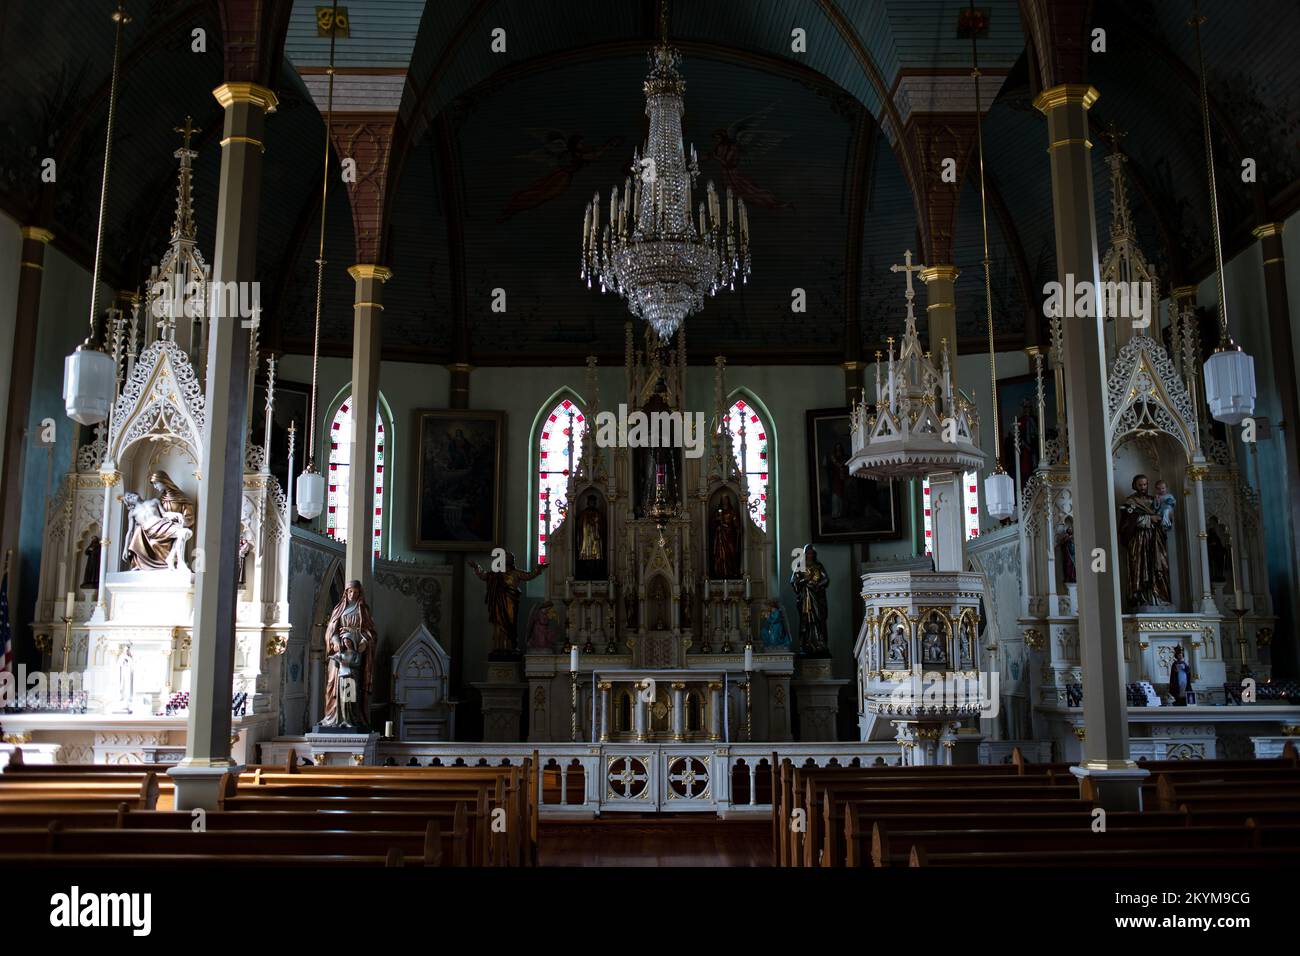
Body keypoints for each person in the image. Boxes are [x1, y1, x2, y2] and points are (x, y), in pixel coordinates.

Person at [319, 580, 378, 731]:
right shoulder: (339, 609)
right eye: (350, 591)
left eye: (356, 592)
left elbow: (371, 631)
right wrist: (336, 641)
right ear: (346, 592)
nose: (353, 594)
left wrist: (365, 640)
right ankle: (333, 717)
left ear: (360, 593)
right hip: (339, 654)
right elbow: (331, 630)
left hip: (355, 653)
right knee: (333, 685)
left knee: (352, 688)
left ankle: (351, 717)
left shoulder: (363, 610)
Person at [470, 552, 546, 658]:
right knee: (498, 625)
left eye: (511, 558)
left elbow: (528, 575)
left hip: (511, 604)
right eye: (507, 558)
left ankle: (509, 647)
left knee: (510, 626)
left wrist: (538, 569)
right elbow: (484, 575)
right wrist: (476, 567)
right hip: (498, 604)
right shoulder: (496, 574)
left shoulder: (516, 573)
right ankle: (498, 647)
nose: (509, 560)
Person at [1118, 474, 1171, 608]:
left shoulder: (1155, 500)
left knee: (1158, 565)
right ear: (1135, 485)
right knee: (1140, 567)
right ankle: (1140, 597)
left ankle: (1157, 595)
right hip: (1138, 540)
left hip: (1154, 538)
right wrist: (1149, 519)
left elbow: (1164, 515)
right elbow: (1126, 525)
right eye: (1140, 485)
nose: (1143, 487)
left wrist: (1166, 516)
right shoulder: (1130, 502)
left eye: (1145, 484)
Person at [121, 492, 193, 571]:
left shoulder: (154, 501)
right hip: (152, 530)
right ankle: (180, 563)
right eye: (128, 498)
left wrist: (177, 514)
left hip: (163, 524)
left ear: (137, 493)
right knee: (183, 533)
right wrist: (125, 549)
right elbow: (130, 532)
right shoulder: (132, 513)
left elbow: (164, 514)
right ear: (129, 504)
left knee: (186, 532)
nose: (131, 496)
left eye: (131, 494)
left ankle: (172, 558)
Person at [790, 544, 830, 656]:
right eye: (808, 553)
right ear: (804, 554)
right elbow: (793, 581)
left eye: (812, 553)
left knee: (818, 620)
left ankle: (820, 644)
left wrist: (817, 585)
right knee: (806, 622)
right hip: (805, 598)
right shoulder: (800, 566)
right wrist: (804, 581)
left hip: (817, 597)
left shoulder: (818, 566)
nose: (810, 555)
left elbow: (826, 579)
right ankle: (806, 644)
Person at [711, 496, 742, 578]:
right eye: (723, 499)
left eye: (726, 499)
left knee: (731, 553)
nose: (725, 501)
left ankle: (731, 572)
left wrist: (737, 527)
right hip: (720, 536)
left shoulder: (732, 512)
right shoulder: (717, 512)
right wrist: (716, 520)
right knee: (720, 555)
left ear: (728, 500)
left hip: (729, 535)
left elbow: (736, 524)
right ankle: (720, 572)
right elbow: (712, 525)